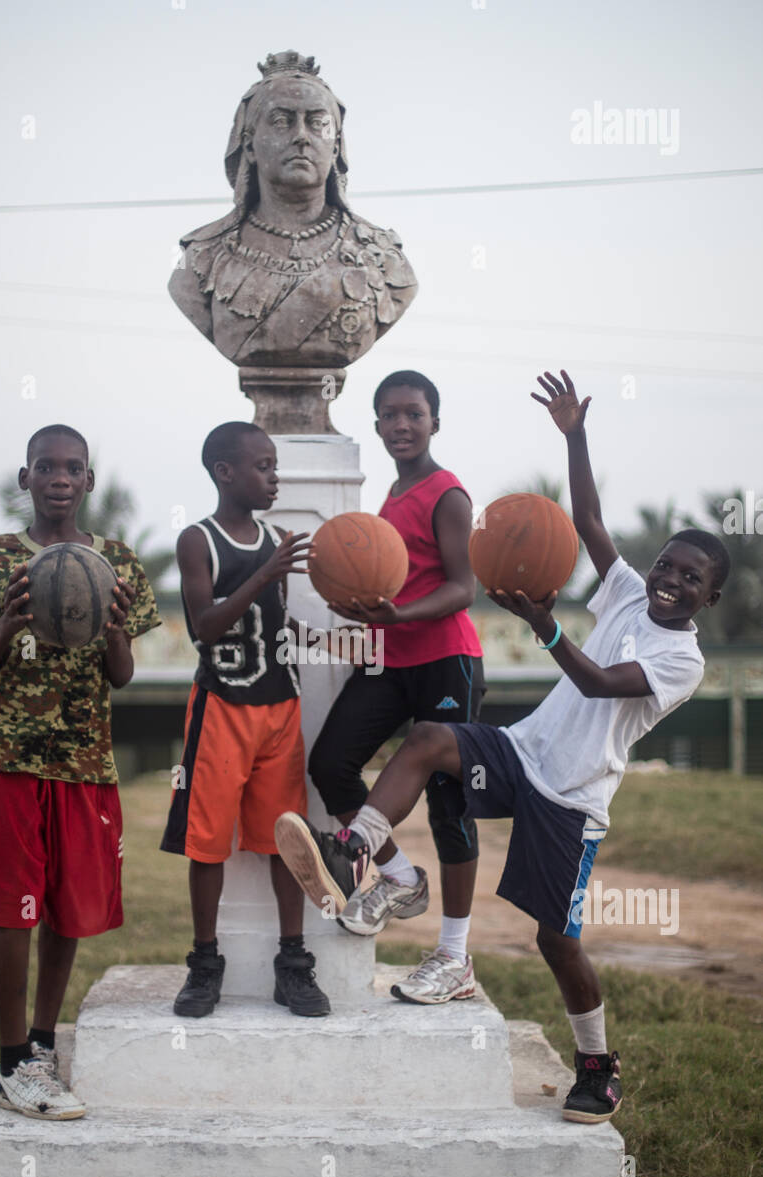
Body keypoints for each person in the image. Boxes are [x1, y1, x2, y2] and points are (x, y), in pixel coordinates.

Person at [276, 369, 729, 1123]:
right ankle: (353, 852)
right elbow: (585, 520)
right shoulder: (624, 591)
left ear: (710, 597)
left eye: (691, 577)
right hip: (521, 750)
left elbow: (596, 683)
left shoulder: (684, 660)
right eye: (666, 566)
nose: (670, 580)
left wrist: (545, 626)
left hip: (573, 792)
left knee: (557, 942)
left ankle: (596, 1063)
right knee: (425, 743)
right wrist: (575, 435)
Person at [0, 424, 161, 1120]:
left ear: (90, 480)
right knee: (13, 904)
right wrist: (8, 626)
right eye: (47, 467)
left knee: (66, 909)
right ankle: (11, 1061)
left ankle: (42, 1042)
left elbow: (122, 677)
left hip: (84, 758)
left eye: (73, 467)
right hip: (8, 756)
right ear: (26, 478)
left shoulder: (119, 563)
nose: (60, 477)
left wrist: (116, 629)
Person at [306, 369, 486, 1004]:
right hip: (388, 657)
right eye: (389, 415)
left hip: (445, 660)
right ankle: (399, 877)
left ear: (435, 420)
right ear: (377, 423)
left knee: (448, 806)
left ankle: (455, 957)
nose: (401, 425)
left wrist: (399, 615)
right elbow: (389, 580)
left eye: (414, 413)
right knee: (331, 762)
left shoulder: (448, 494)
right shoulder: (391, 493)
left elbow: (466, 588)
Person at [160, 421, 331, 1019]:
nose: (274, 476)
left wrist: (357, 630)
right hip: (222, 708)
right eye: (262, 466)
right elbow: (204, 626)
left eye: (275, 465)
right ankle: (205, 964)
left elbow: (282, 624)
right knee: (207, 844)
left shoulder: (277, 537)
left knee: (284, 839)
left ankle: (293, 964)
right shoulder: (197, 540)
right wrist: (265, 574)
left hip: (279, 707)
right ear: (223, 472)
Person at [168, 51, 417, 371]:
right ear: (248, 145)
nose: (301, 136)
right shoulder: (199, 260)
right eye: (282, 121)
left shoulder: (383, 257)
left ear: (336, 145)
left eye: (317, 123)